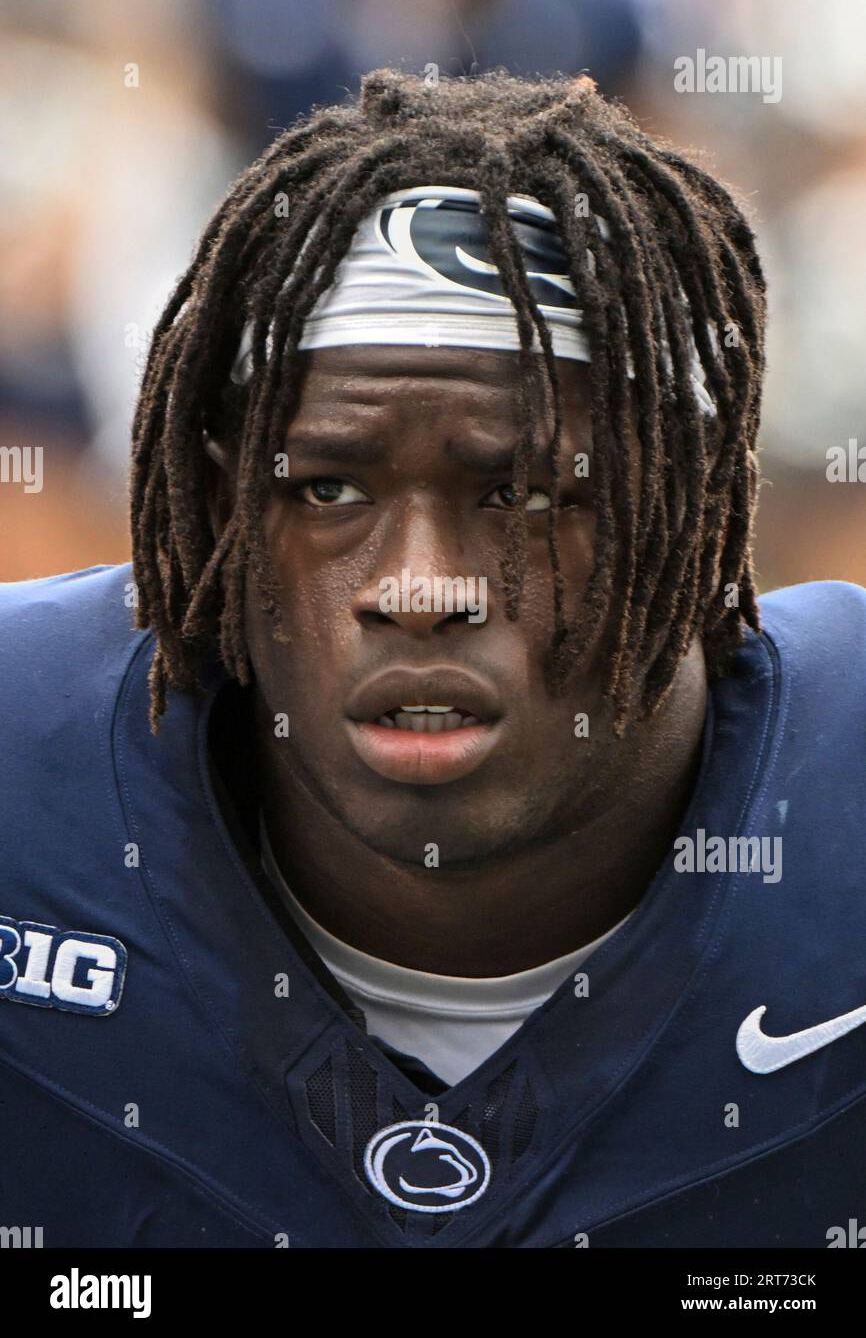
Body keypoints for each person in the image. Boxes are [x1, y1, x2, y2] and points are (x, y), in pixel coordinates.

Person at [2, 68, 864, 1248]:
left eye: (518, 491)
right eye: (329, 487)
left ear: (695, 505)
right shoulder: (24, 776)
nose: (419, 587)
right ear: (216, 511)